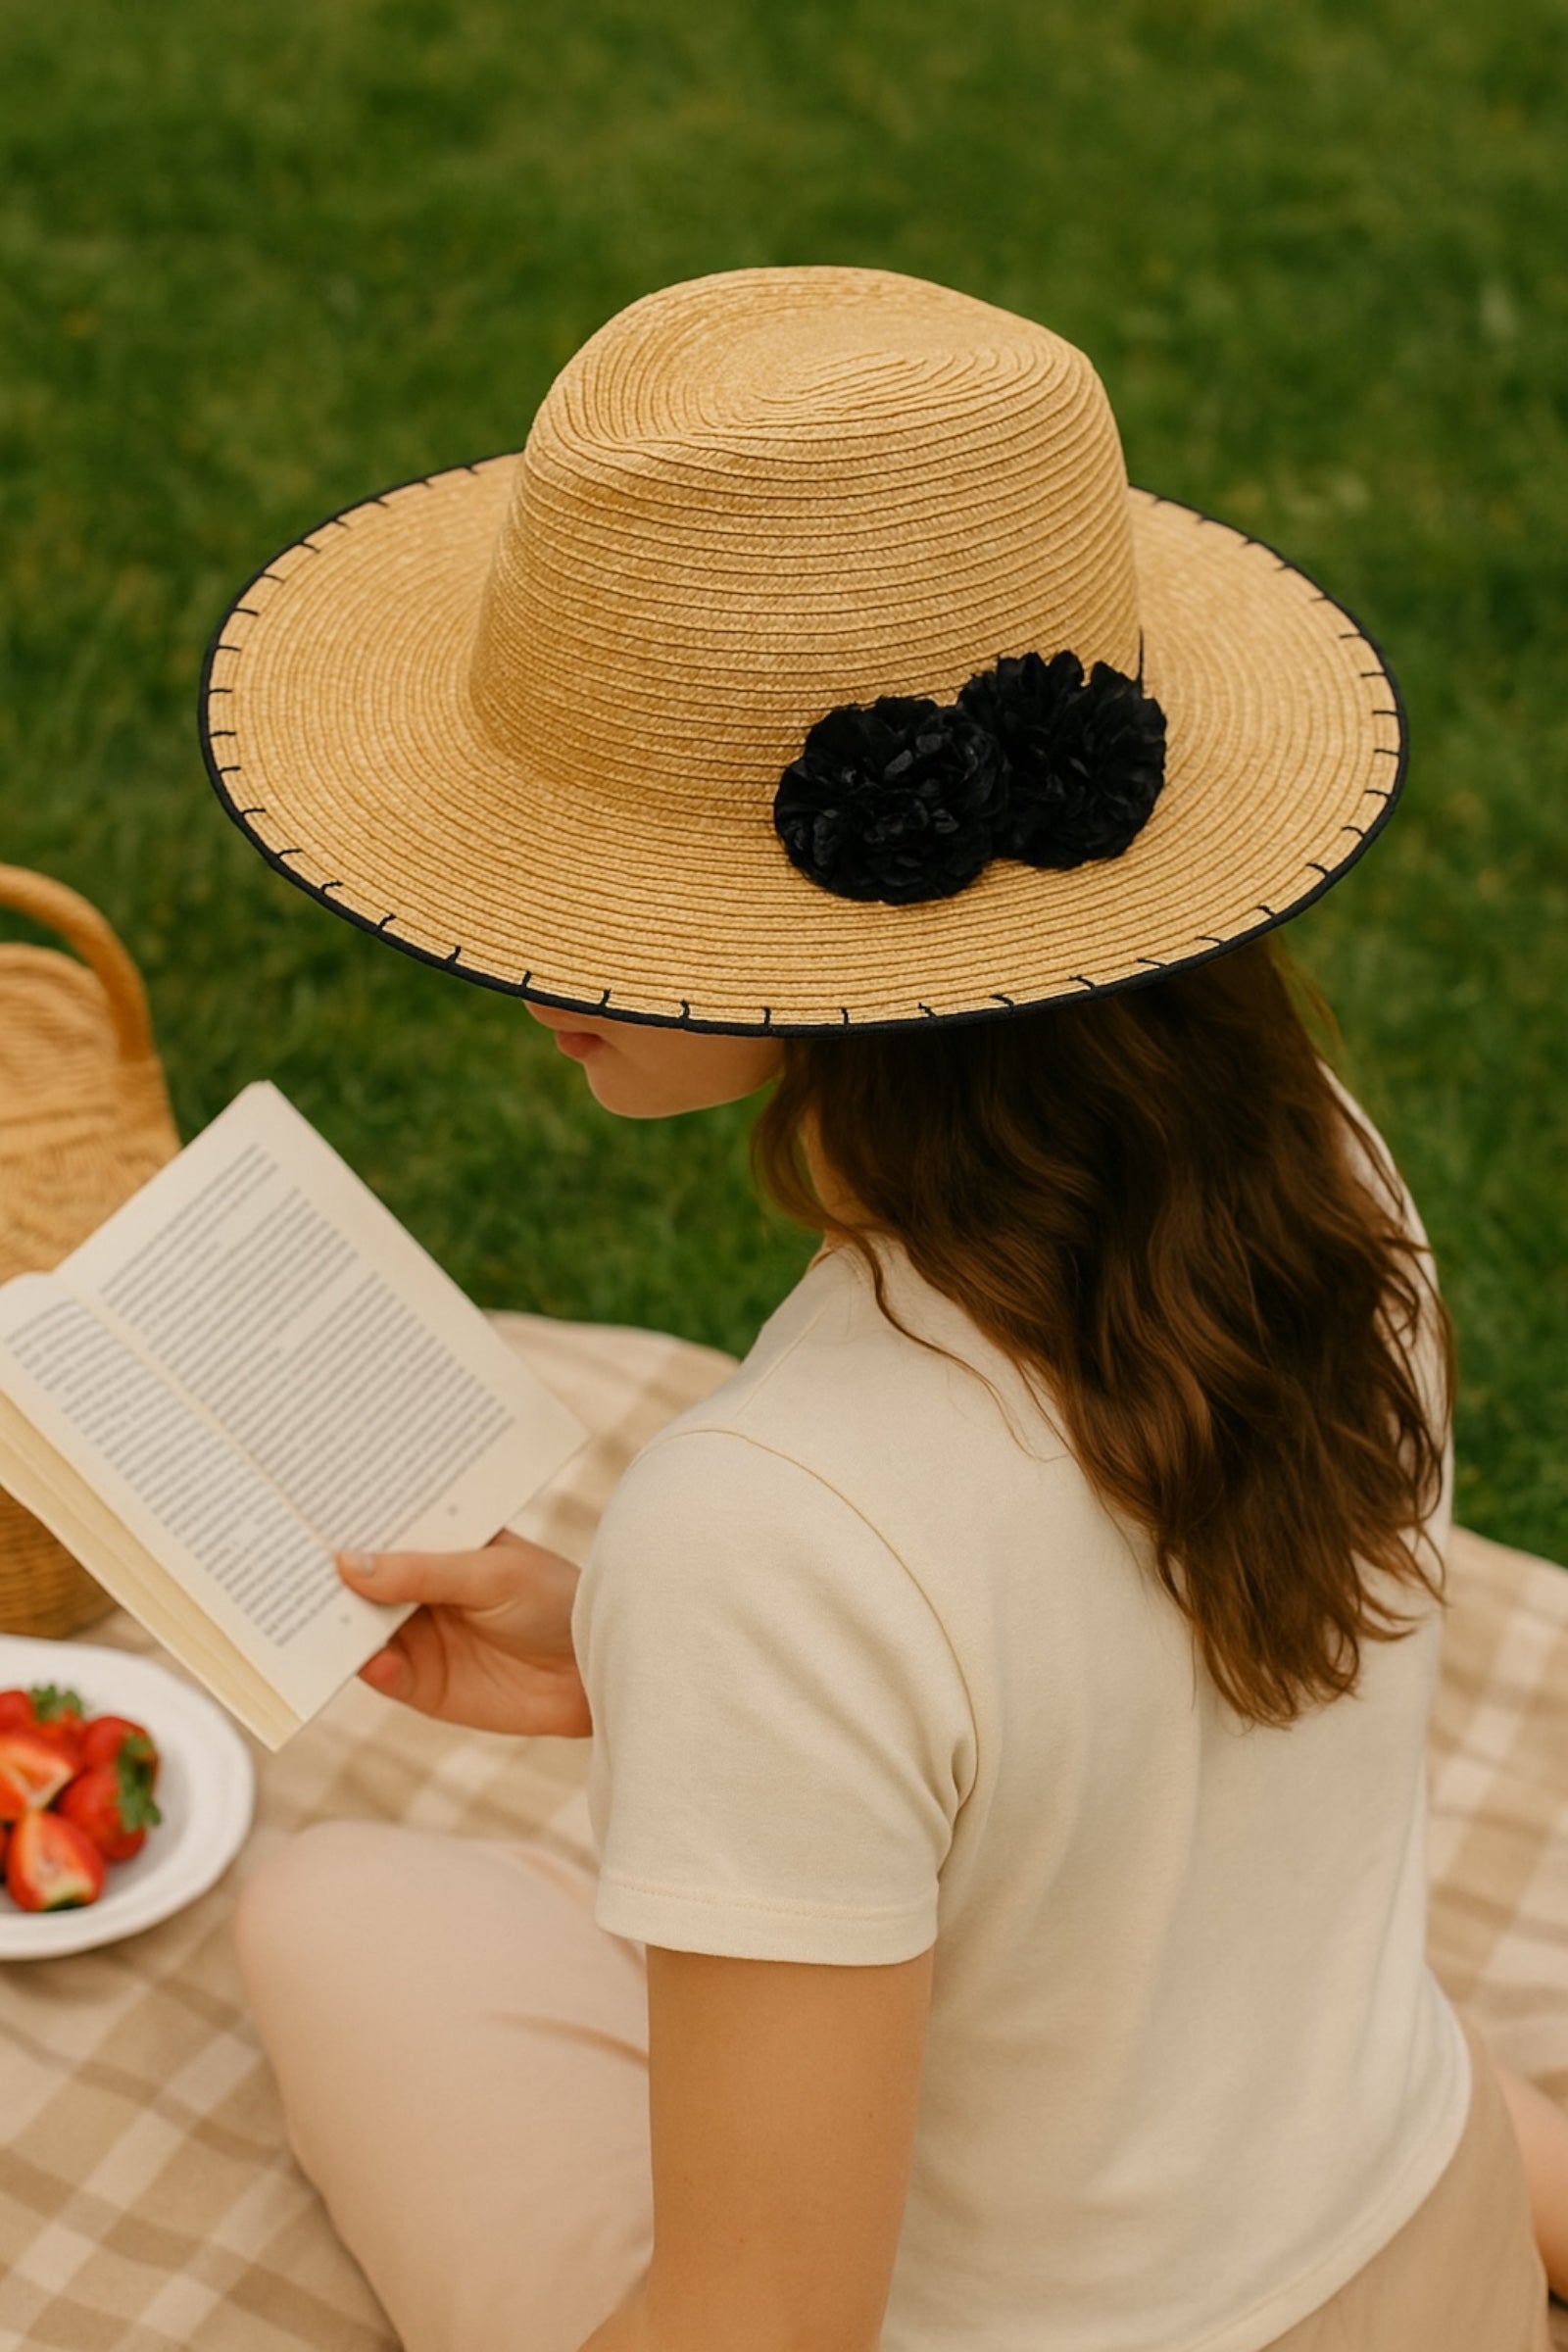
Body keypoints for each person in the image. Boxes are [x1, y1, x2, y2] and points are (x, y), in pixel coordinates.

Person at [215, 267, 1564, 2350]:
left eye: (592, 849)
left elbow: (761, 2331)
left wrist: (721, 1635)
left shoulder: (775, 1526)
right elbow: (1088, 1663)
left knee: (330, 1911)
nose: (520, 962)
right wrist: (640, 1658)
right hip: (1410, 2224)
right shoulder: (1305, 1162)